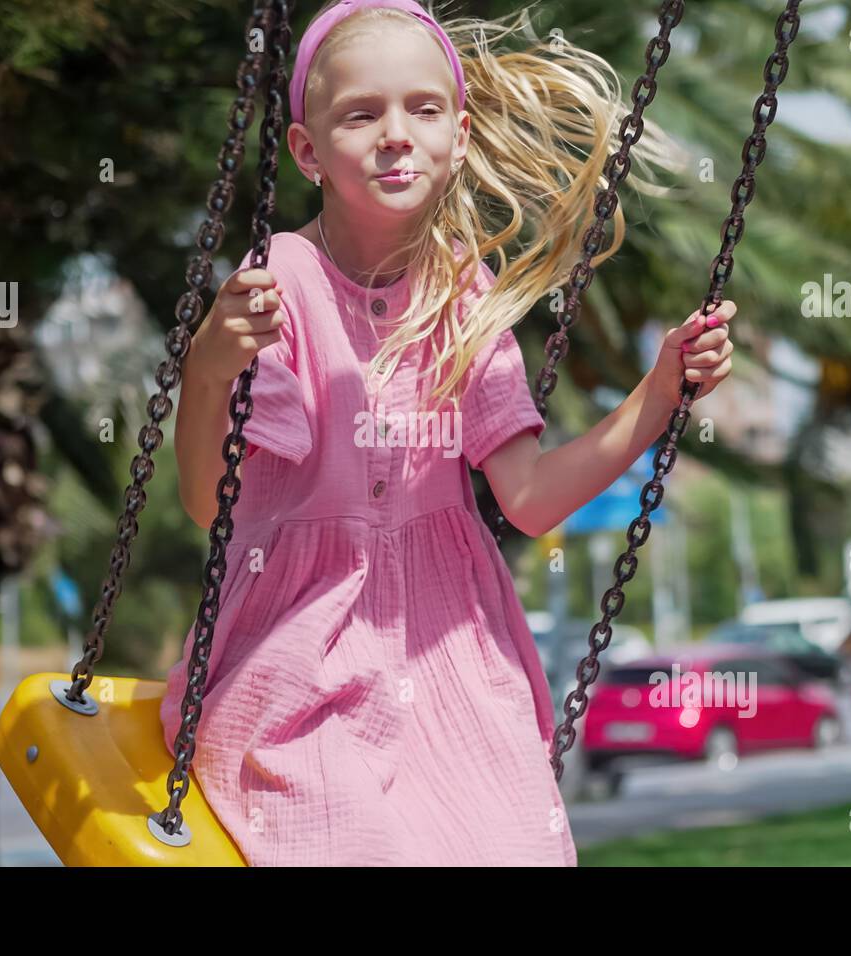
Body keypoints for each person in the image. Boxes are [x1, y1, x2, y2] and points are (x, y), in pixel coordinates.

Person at [161, 0, 737, 866]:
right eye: (362, 113)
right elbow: (210, 503)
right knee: (351, 846)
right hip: (302, 667)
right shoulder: (283, 279)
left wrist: (658, 392)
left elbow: (532, 500)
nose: (396, 134)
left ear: (458, 135)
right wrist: (208, 371)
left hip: (452, 667)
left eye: (423, 109)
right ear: (308, 151)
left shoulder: (464, 293)